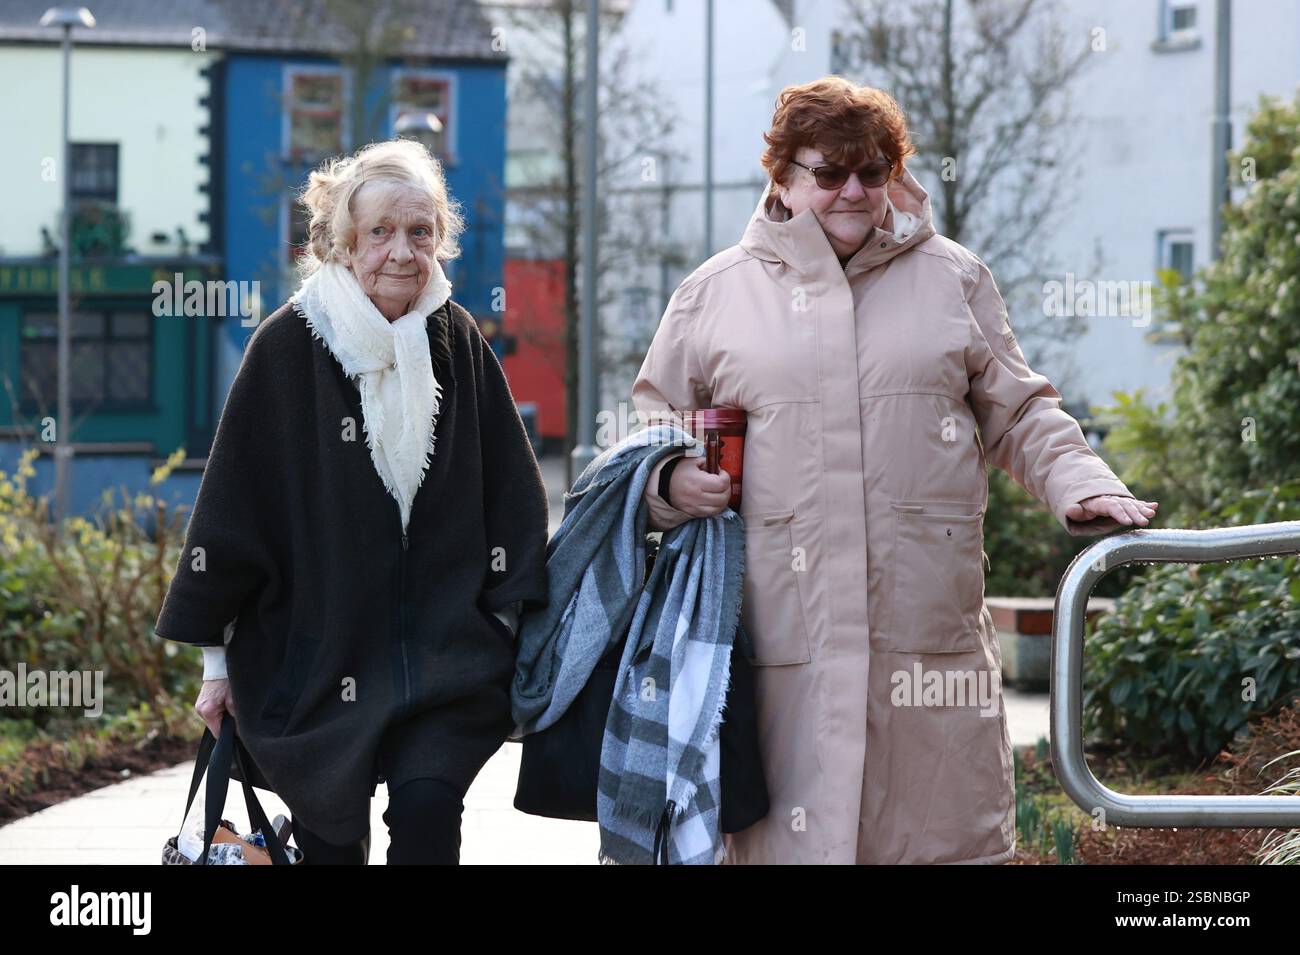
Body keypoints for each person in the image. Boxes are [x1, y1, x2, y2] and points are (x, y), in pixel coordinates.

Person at [632, 77, 1158, 864]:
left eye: (873, 171)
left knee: (937, 844)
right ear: (781, 176)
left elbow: (1017, 410)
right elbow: (650, 435)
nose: (853, 190)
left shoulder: (953, 277)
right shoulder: (715, 294)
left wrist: (1078, 477)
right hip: (780, 652)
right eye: (829, 171)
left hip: (927, 652)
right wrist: (667, 485)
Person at [154, 138, 549, 864]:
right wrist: (216, 666)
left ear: (441, 239)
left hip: (440, 662)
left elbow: (515, 497)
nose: (402, 251)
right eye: (380, 233)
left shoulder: (458, 340)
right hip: (314, 658)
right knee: (333, 844)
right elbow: (230, 516)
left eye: (421, 231)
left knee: (429, 812)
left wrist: (504, 619)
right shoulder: (287, 347)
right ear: (342, 243)